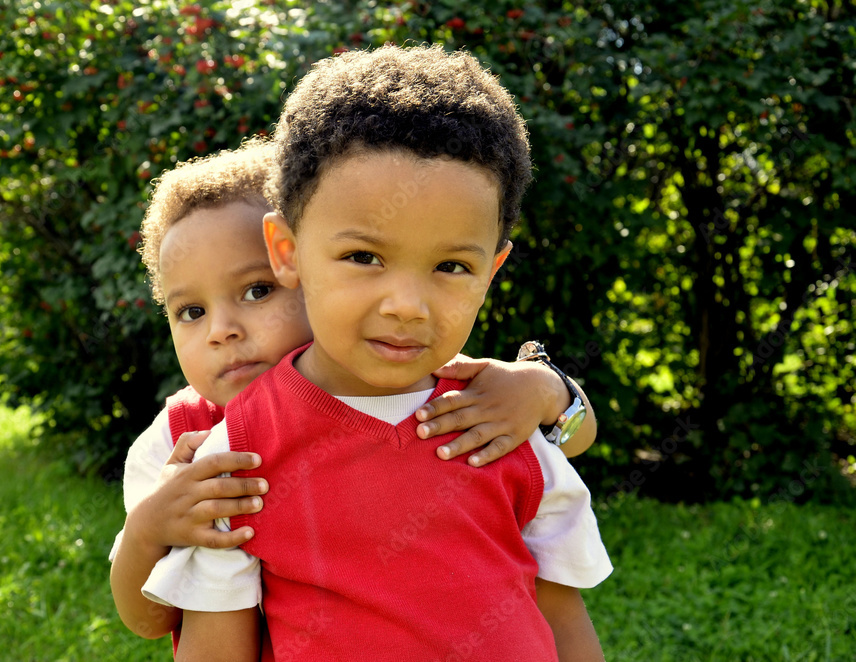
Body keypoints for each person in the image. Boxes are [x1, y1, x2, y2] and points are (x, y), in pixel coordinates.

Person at [144, 45, 611, 662]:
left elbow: (561, 617)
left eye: (451, 266)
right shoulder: (238, 460)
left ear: (492, 270)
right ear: (286, 251)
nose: (408, 305)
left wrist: (549, 391)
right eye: (364, 257)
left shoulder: (498, 422)